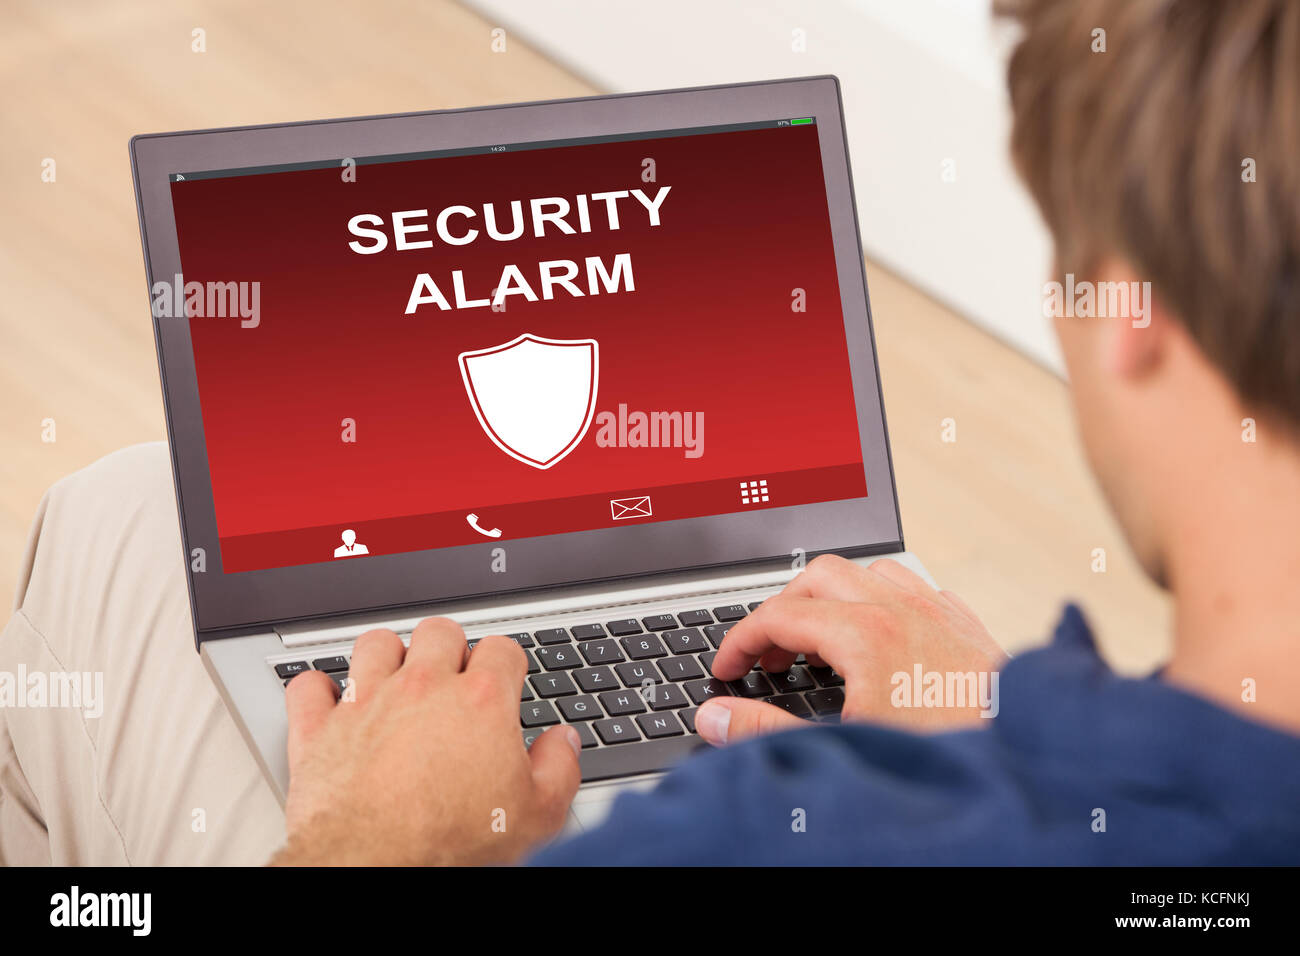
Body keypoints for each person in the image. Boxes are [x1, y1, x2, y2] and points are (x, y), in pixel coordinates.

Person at [3, 0, 1299, 866]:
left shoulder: (755, 832)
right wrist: (1003, 717)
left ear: (1131, 310)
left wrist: (380, 836)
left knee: (126, 522)